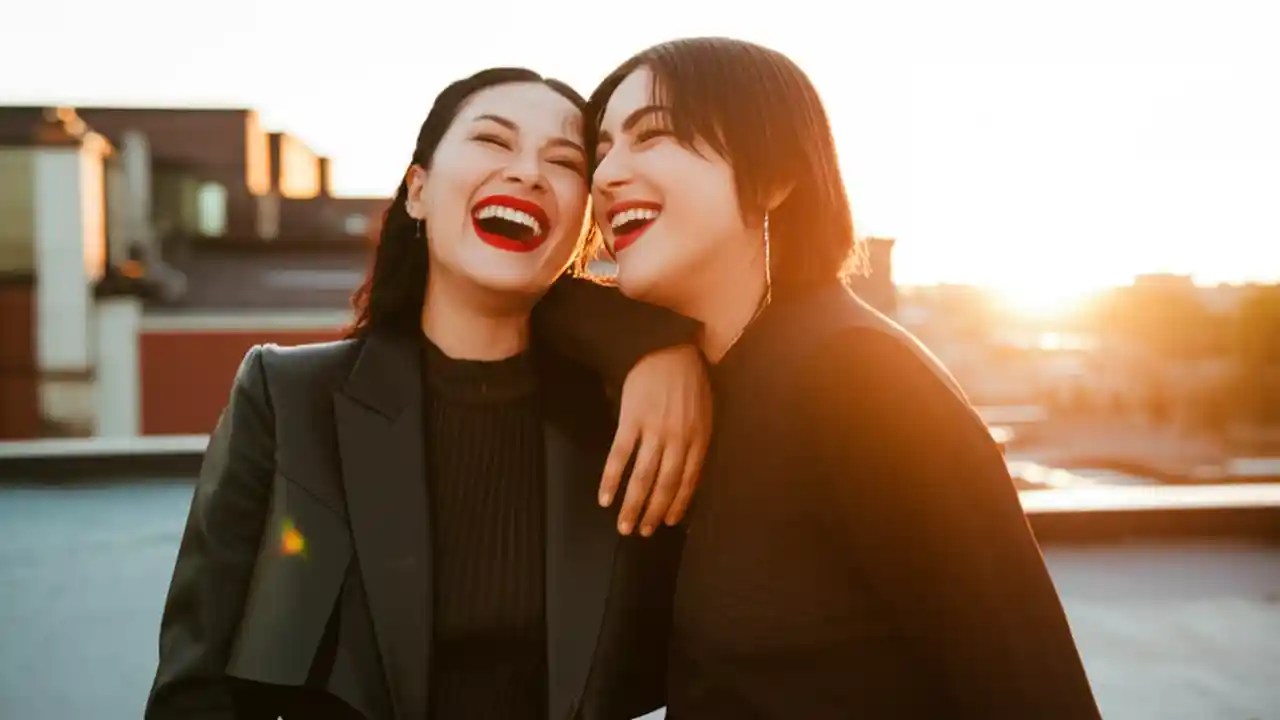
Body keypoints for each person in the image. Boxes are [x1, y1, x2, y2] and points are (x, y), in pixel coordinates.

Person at [146, 67, 712, 720]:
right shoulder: (288, 399)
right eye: (495, 142)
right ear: (417, 191)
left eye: (563, 160)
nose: (528, 172)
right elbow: (196, 689)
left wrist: (665, 347)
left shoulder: (629, 421)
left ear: (583, 229)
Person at [587, 37, 1101, 718]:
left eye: (651, 136)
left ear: (773, 177)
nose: (605, 175)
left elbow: (1032, 692)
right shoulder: (704, 380)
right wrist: (644, 349)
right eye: (599, 151)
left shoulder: (857, 376)